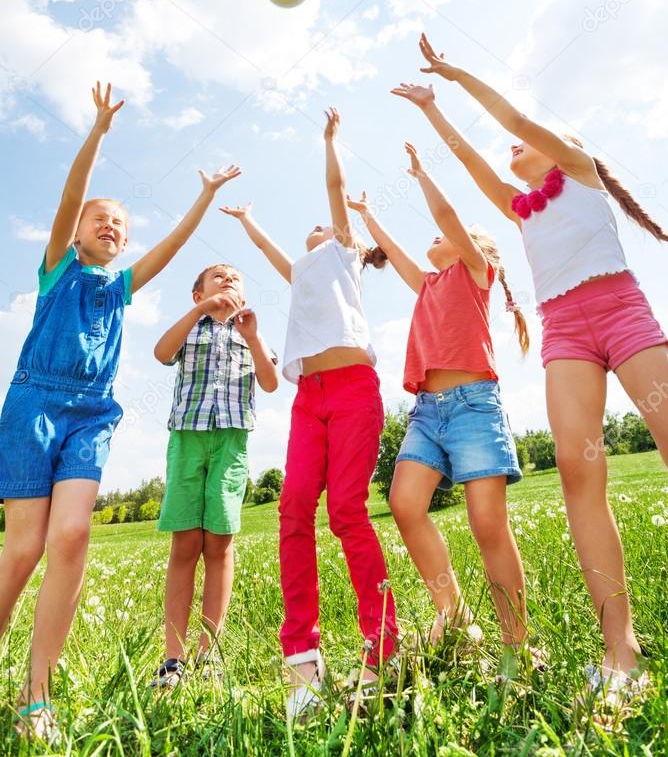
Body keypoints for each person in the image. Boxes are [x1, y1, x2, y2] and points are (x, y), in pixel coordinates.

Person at [400, 33, 668, 697]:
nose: (513, 146)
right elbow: (472, 160)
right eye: (511, 149)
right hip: (565, 332)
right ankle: (621, 650)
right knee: (580, 473)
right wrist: (432, 112)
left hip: (620, 310)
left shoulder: (580, 169)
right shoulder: (518, 212)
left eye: (524, 143)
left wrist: (454, 71)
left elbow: (518, 122)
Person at [0, 83, 240, 741]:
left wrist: (205, 196)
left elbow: (172, 241)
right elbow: (70, 193)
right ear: (76, 233)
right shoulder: (57, 269)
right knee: (21, 549)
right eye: (101, 218)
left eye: (122, 225)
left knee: (71, 534)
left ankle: (35, 697)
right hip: (33, 405)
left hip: (91, 415)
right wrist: (100, 130)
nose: (112, 225)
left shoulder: (124, 286)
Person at [221, 108, 398, 719]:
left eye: (324, 225)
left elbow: (334, 191)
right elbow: (270, 247)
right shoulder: (301, 272)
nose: (316, 227)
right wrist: (248, 220)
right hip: (310, 399)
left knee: (346, 508)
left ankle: (381, 650)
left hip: (352, 389)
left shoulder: (345, 253)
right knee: (294, 505)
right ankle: (303, 659)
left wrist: (330, 141)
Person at [349, 141, 533, 678]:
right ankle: (454, 613)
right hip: (428, 411)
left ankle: (516, 644)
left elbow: (447, 218)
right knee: (404, 503)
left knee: (486, 522)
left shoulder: (477, 274)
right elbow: (397, 253)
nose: (433, 239)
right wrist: (368, 216)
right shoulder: (427, 283)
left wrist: (422, 173)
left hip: (474, 406)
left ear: (470, 247)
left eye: (444, 237)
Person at [150, 262, 278, 688]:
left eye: (236, 277)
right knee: (185, 541)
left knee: (219, 542)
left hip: (231, 441)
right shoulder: (192, 329)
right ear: (197, 294)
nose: (228, 279)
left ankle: (209, 653)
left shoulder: (251, 335)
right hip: (188, 438)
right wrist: (200, 311)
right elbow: (161, 352)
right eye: (217, 276)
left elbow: (271, 382)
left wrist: (254, 336)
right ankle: (173, 658)